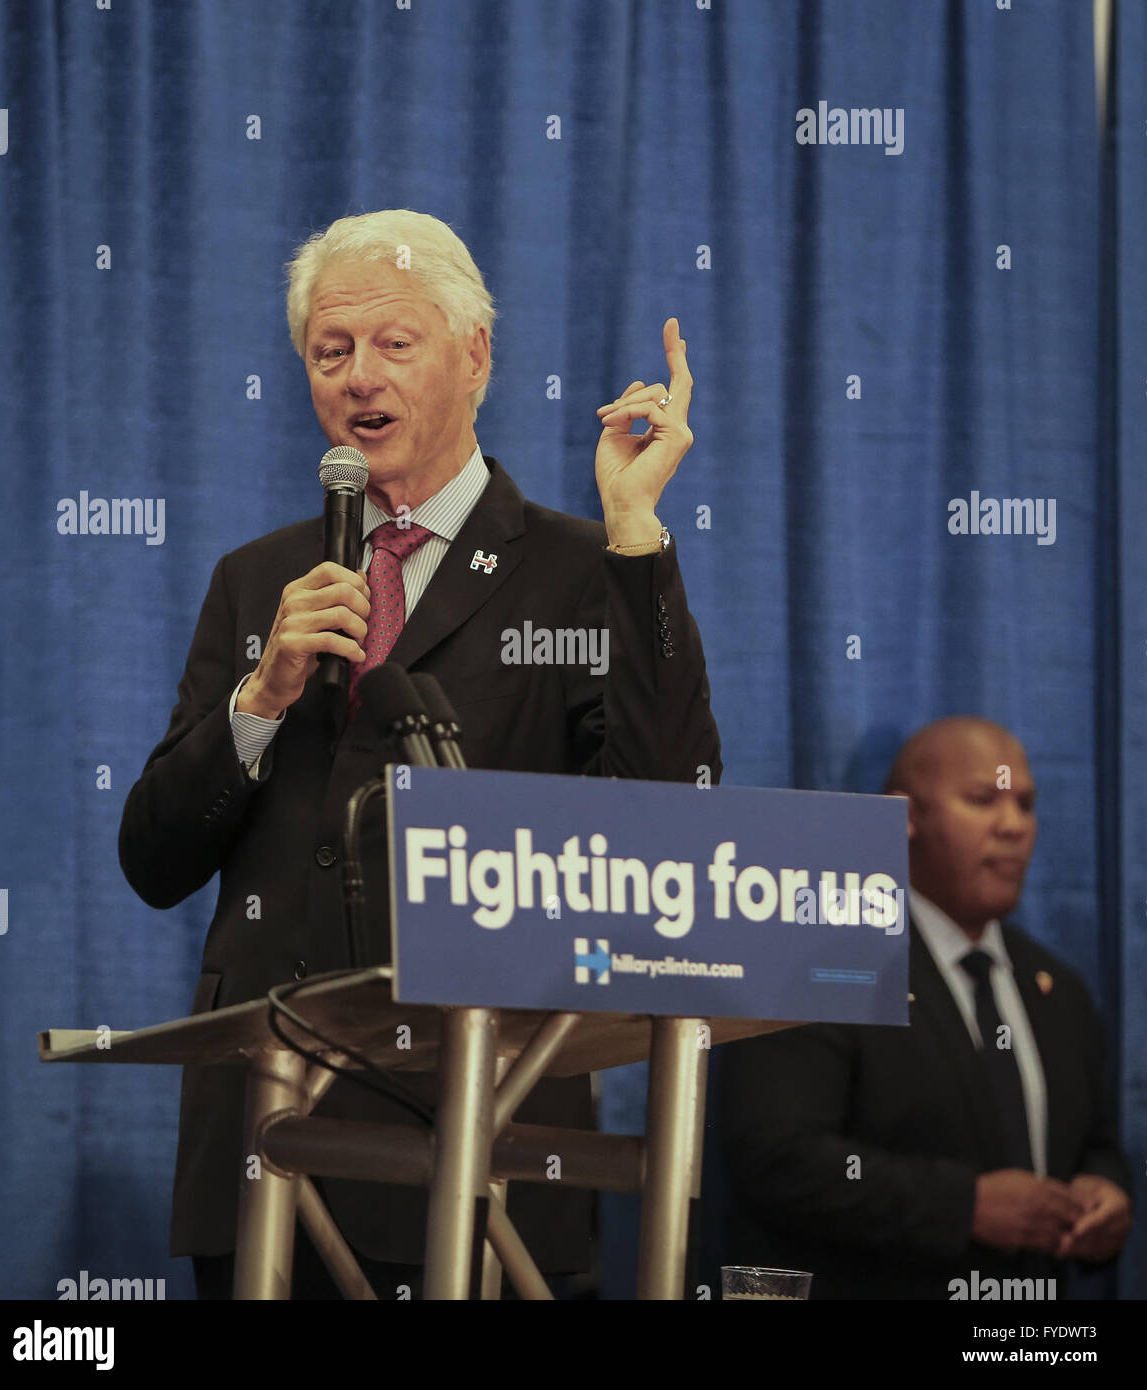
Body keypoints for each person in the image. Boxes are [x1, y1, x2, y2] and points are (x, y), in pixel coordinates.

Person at [118, 209, 722, 1298]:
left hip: (485, 1141)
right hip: (268, 1146)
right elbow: (155, 858)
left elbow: (666, 815)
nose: (358, 377)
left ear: (474, 355)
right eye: (329, 351)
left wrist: (635, 530)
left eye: (393, 344)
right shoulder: (257, 583)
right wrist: (261, 697)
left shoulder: (583, 570)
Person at [716, 716, 1132, 1299]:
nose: (1014, 826)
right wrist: (964, 1207)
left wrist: (1105, 1194)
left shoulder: (1057, 987)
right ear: (905, 816)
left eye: (1027, 804)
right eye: (983, 800)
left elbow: (1098, 1143)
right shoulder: (816, 962)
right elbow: (775, 1158)